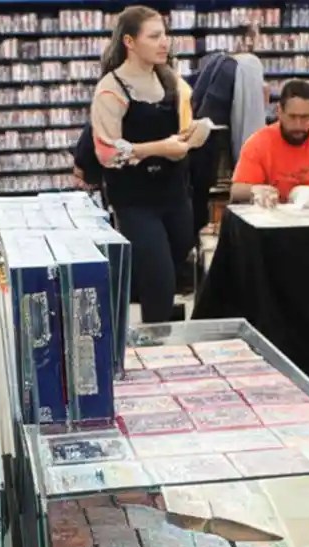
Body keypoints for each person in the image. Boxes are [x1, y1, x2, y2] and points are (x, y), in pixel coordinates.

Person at [92, 5, 212, 323]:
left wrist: (193, 135)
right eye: (155, 36)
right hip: (135, 200)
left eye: (165, 35)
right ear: (130, 42)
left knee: (169, 273)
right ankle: (158, 353)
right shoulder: (111, 88)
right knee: (159, 283)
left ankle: (157, 337)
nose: (164, 43)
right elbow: (107, 152)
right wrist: (161, 148)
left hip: (174, 193)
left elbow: (184, 127)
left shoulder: (171, 81)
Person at [229, 80, 309, 205]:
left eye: (306, 117)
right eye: (292, 117)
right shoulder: (258, 142)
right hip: (273, 219)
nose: (298, 125)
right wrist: (255, 190)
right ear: (279, 112)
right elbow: (236, 190)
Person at [190, 23, 267, 231]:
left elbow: (197, 102)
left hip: (200, 150)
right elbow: (251, 121)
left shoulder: (218, 61)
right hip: (222, 154)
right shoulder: (248, 65)